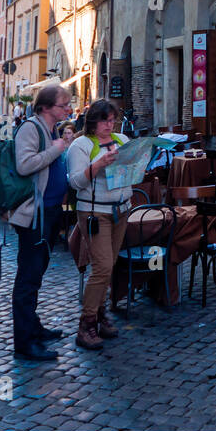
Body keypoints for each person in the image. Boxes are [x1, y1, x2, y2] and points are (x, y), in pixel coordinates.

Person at [8, 84, 74, 362]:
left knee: (37, 273)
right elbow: (25, 165)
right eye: (63, 105)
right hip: (33, 214)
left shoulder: (51, 130)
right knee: (28, 277)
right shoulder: (30, 128)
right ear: (46, 107)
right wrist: (58, 148)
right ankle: (24, 343)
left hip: (49, 212)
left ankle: (33, 327)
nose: (68, 110)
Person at [67, 99, 132, 351]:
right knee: (102, 266)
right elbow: (75, 182)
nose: (110, 124)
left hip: (121, 210)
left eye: (113, 119)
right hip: (94, 212)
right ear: (93, 121)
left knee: (110, 264)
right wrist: (98, 166)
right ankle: (87, 324)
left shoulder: (122, 140)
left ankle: (101, 313)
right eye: (105, 120)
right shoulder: (80, 145)